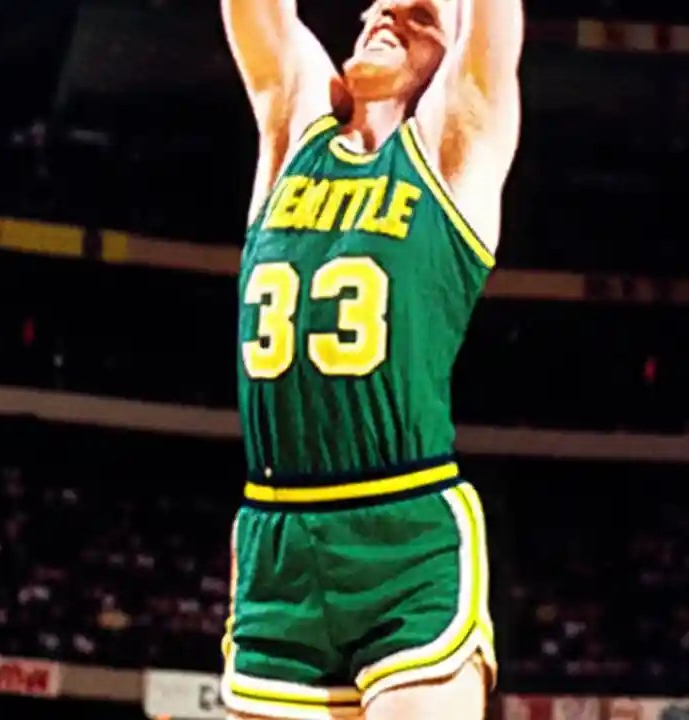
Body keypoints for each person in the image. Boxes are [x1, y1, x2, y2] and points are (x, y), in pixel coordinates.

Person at [219, 0, 522, 716]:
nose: (388, 12)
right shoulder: (295, 128)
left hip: (403, 530)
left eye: (419, 13)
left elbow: (491, 29)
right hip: (275, 539)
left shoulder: (451, 147)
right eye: (381, 5)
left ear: (449, 58)